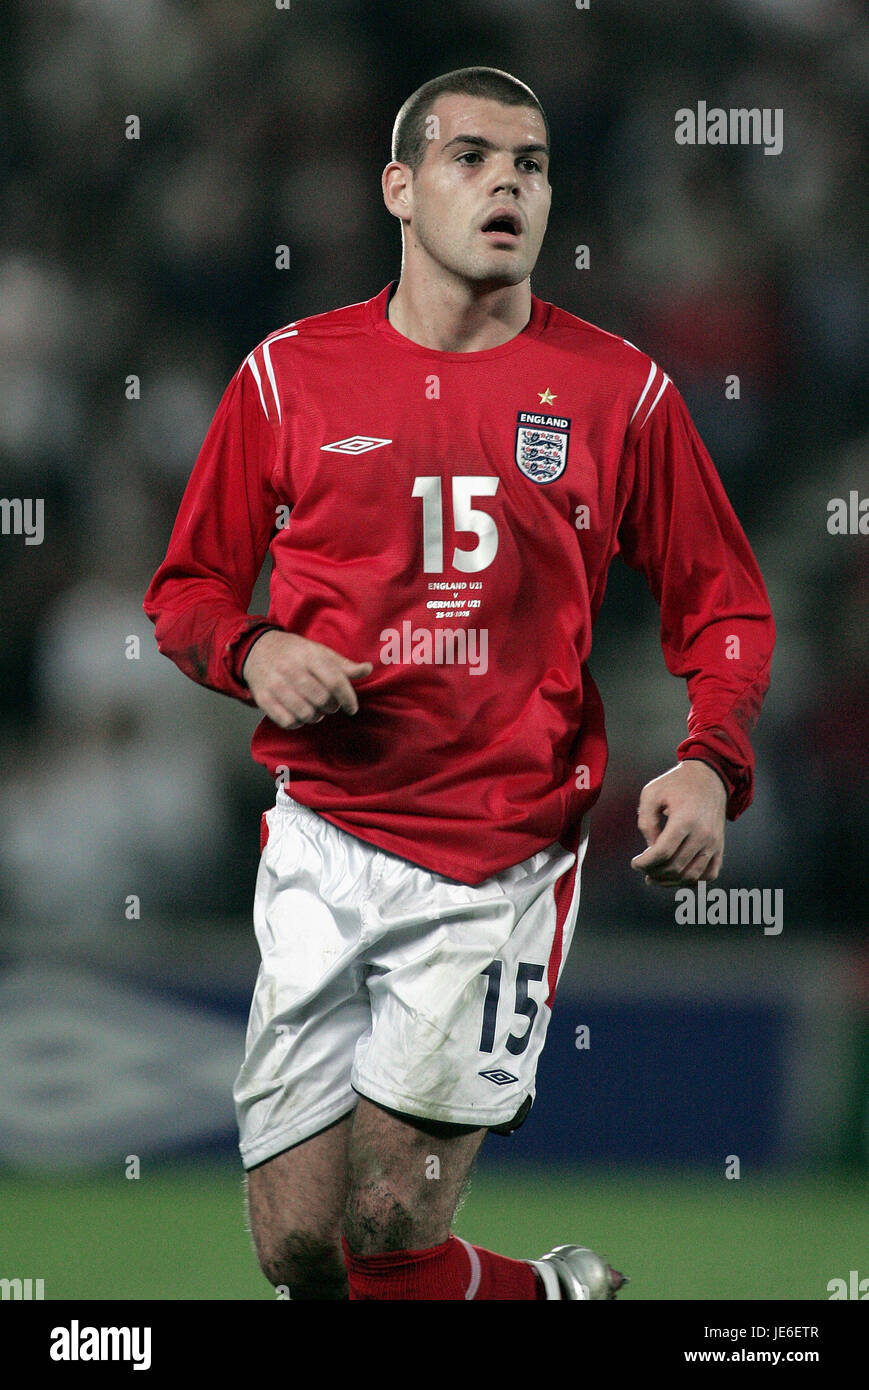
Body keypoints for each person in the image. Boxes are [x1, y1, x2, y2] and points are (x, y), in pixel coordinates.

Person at [143, 66, 775, 1301]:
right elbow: (185, 594)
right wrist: (253, 650)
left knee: (387, 1224)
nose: (506, 184)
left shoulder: (618, 393)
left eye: (529, 165)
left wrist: (709, 757)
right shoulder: (288, 379)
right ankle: (547, 1296)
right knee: (298, 1250)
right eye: (470, 157)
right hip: (320, 841)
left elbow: (725, 604)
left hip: (498, 855)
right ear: (399, 186)